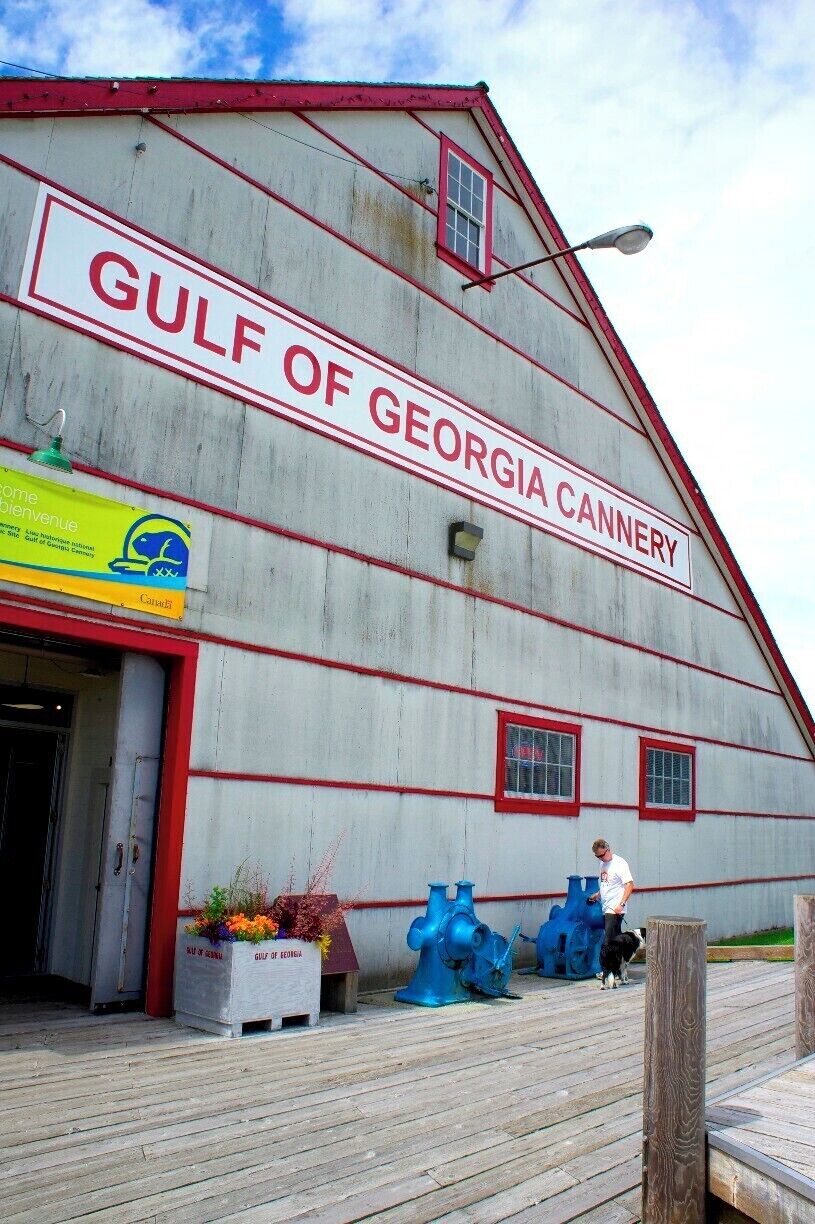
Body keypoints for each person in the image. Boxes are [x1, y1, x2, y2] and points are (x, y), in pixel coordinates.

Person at [587, 838, 634, 974]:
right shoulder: (602, 864)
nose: (600, 858)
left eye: (602, 855)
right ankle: (619, 970)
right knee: (616, 940)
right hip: (606, 907)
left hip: (615, 909)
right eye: (597, 856)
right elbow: (606, 884)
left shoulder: (620, 863)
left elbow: (629, 884)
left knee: (608, 941)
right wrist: (598, 894)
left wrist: (621, 904)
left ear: (608, 849)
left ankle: (607, 971)